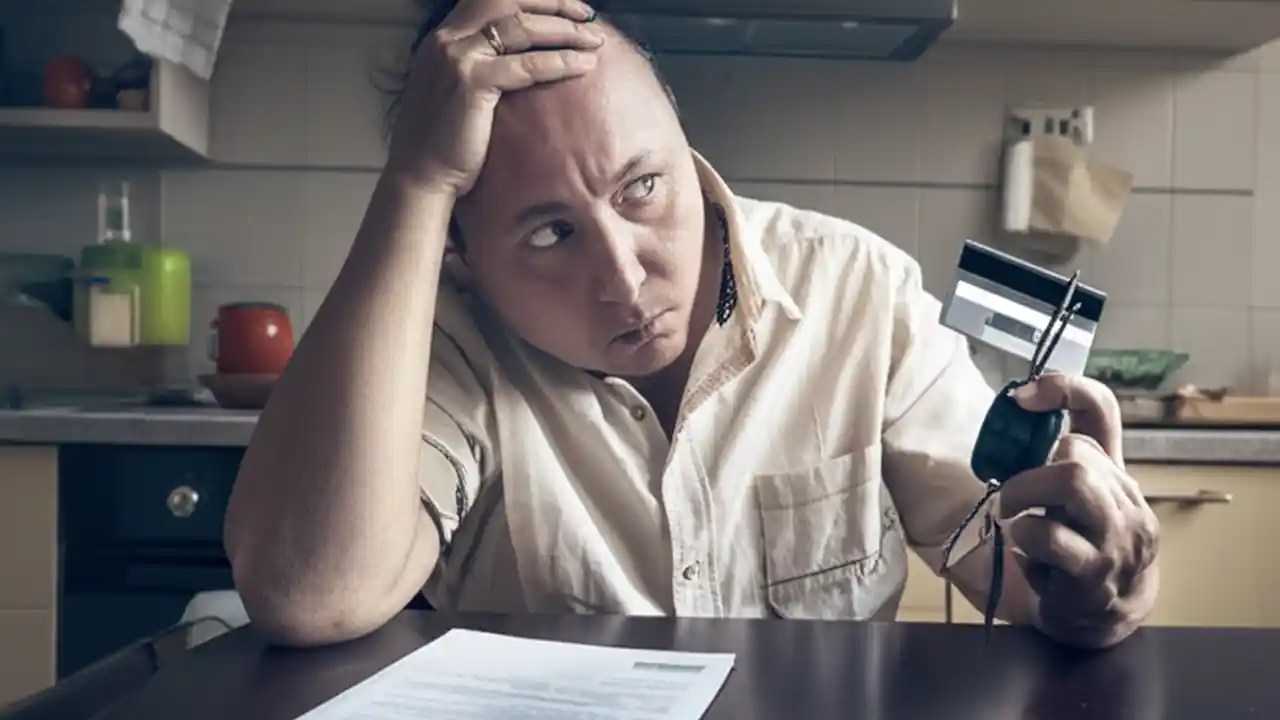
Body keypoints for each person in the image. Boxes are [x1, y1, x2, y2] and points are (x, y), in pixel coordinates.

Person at [223, 0, 1160, 651]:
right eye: (551, 233)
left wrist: (1102, 588)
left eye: (645, 188)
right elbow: (314, 596)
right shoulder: (444, 338)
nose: (626, 279)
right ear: (461, 255)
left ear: (684, 138)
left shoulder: (856, 291)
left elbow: (1035, 580)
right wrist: (417, 185)